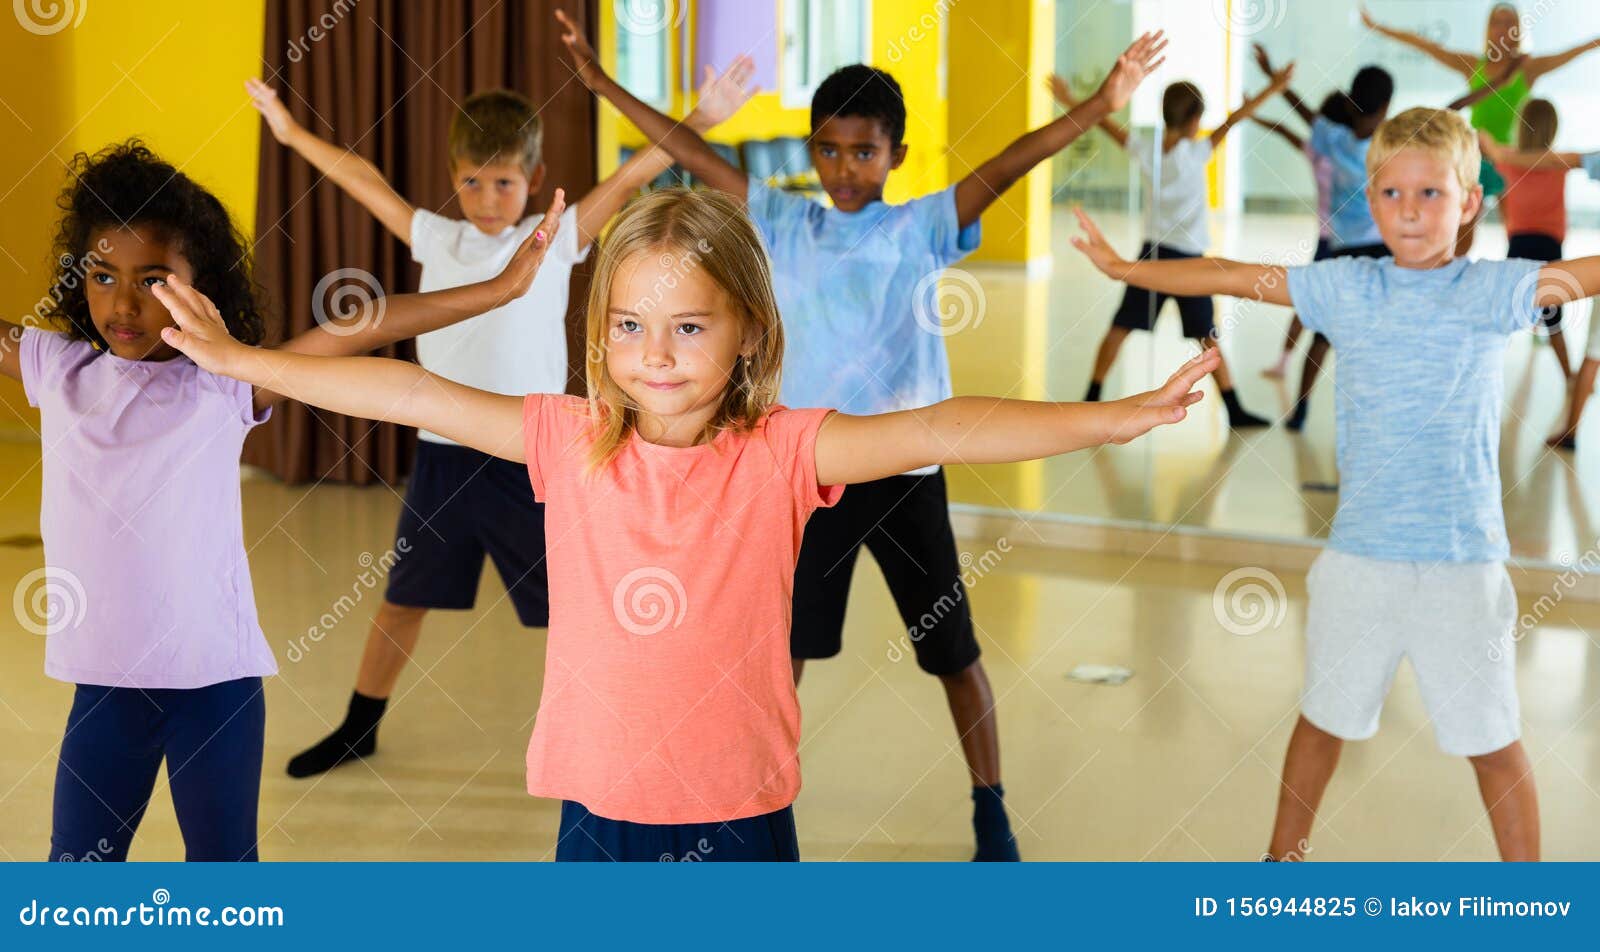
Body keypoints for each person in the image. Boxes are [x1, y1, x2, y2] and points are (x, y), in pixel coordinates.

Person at [153, 186, 1222, 861]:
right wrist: (246, 364)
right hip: (595, 811)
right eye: (627, 324)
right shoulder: (569, 439)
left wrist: (1115, 417)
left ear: (748, 334)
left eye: (687, 326)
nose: (653, 353)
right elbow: (415, 397)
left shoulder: (784, 452)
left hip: (739, 815)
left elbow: (942, 422)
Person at [552, 6, 1169, 859]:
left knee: (953, 653)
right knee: (779, 653)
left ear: (896, 157)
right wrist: (602, 85)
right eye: (831, 149)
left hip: (906, 477)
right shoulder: (781, 220)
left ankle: (990, 805)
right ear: (812, 151)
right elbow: (692, 155)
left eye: (865, 151)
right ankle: (744, 797)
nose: (846, 168)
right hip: (807, 478)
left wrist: (1100, 106)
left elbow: (1007, 162)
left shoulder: (920, 226)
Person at [1073, 106, 1600, 861]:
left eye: (1430, 195)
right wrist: (1130, 270)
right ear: (1370, 198)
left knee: (1493, 742)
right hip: (1360, 560)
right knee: (1321, 723)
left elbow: (1583, 277)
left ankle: (1533, 900)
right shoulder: (1348, 287)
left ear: (1470, 203)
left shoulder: (1494, 290)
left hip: (1463, 567)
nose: (1410, 213)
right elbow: (1228, 276)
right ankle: (1280, 871)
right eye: (1392, 195)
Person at [22, 140, 564, 861]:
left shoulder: (225, 383)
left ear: (198, 284)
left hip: (216, 691)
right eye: (101, 274)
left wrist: (497, 290)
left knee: (227, 880)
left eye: (152, 279)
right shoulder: (54, 368)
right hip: (106, 693)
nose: (122, 303)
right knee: (74, 880)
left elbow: (364, 324)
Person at [245, 60, 757, 778]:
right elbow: (361, 179)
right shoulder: (437, 239)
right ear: (453, 176)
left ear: (533, 175)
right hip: (444, 458)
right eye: (472, 182)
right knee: (401, 602)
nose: (487, 199)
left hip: (532, 457)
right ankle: (361, 724)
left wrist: (702, 119)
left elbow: (634, 175)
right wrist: (291, 130)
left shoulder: (560, 234)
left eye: (505, 183)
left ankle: (621, 723)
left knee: (575, 608)